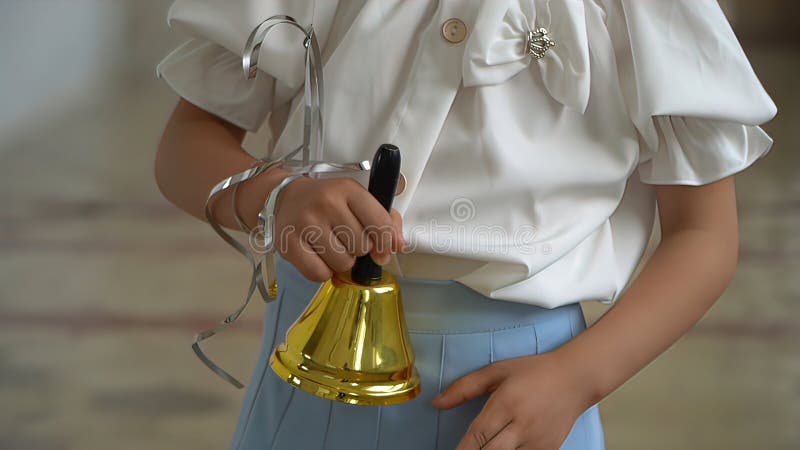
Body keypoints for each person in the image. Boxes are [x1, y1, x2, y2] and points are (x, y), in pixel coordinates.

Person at [154, 0, 777, 449]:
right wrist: (275, 195)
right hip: (310, 378)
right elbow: (186, 144)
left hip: (527, 398)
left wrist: (577, 379)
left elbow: (704, 235)